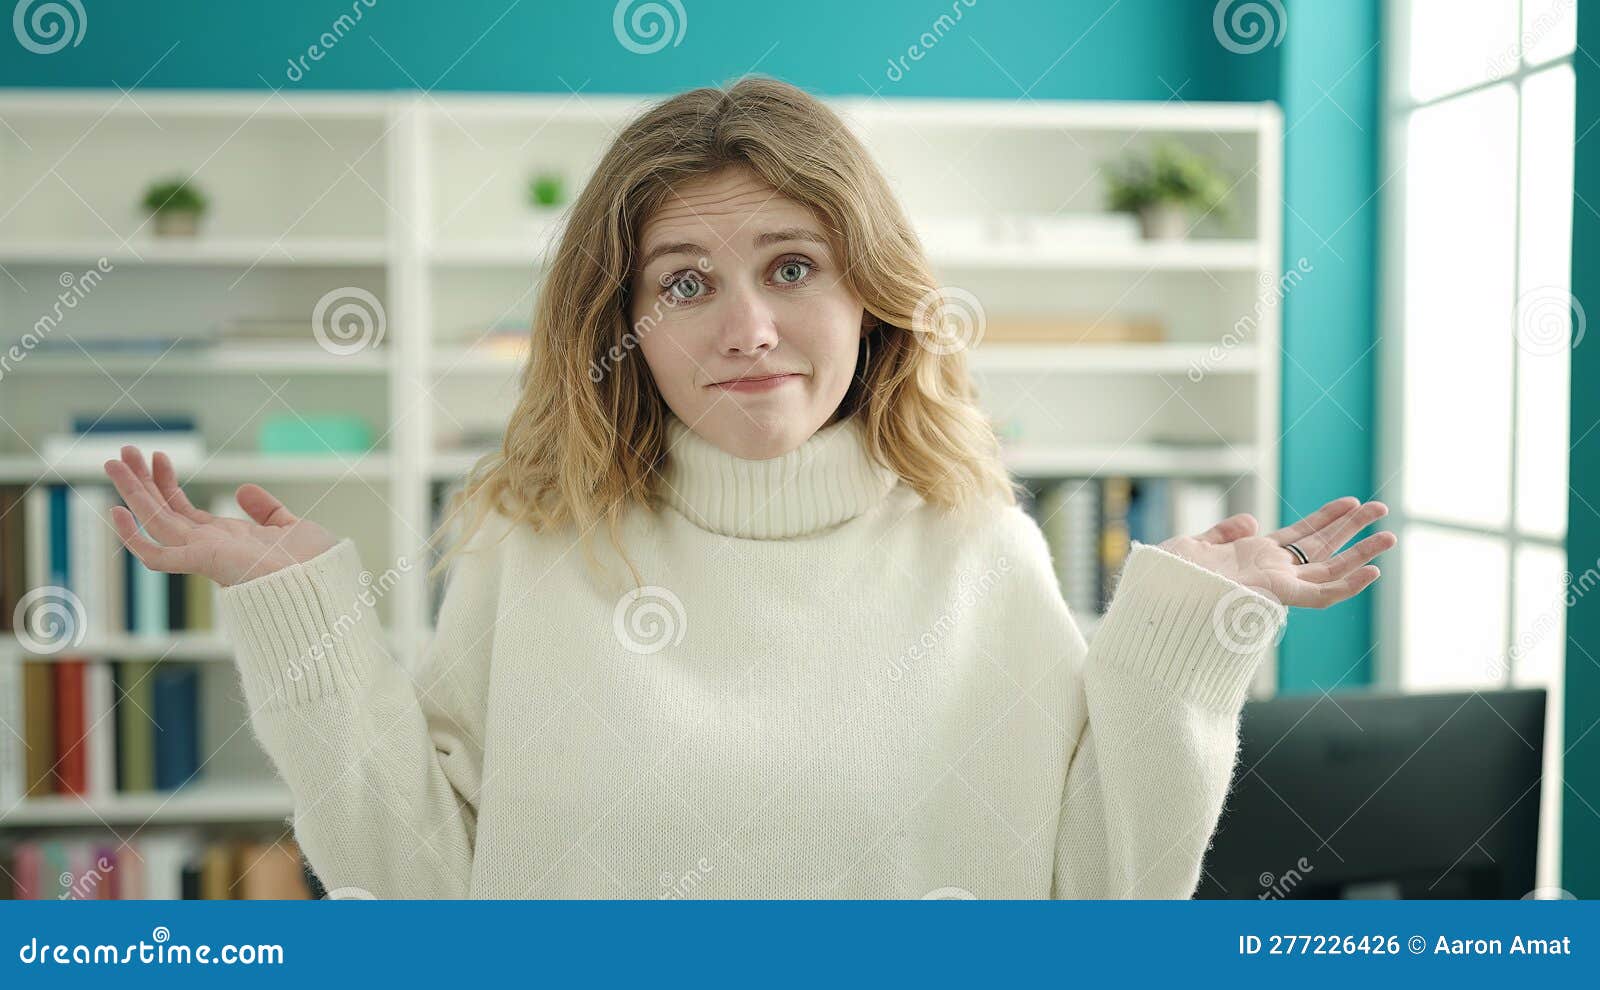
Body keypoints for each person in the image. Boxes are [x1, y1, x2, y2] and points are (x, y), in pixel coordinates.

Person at [100, 75, 1396, 899]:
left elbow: (1101, 904)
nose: (749, 330)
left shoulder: (979, 547)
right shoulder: (534, 548)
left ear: (870, 294)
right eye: (685, 283)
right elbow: (417, 887)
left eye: (792, 267)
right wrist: (304, 616)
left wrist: (1182, 634)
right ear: (627, 322)